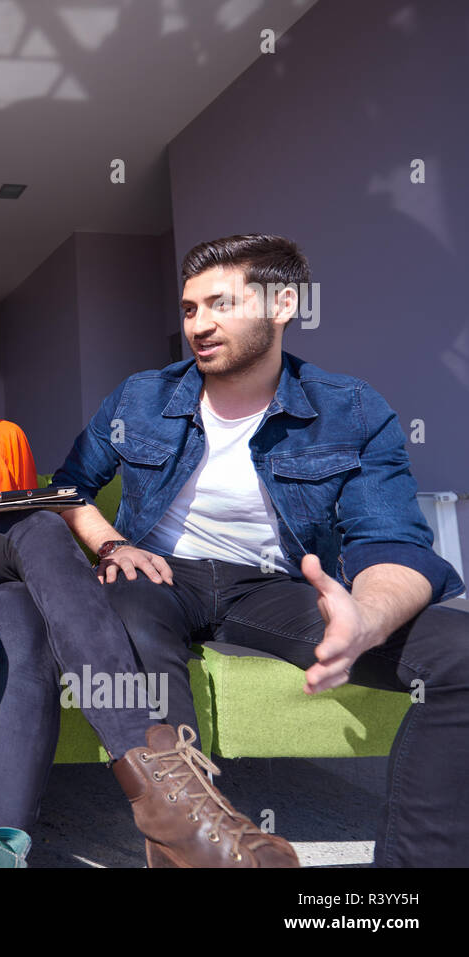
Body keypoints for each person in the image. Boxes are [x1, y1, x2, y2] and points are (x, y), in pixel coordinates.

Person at [53, 233, 469, 867]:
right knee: (127, 609)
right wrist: (111, 544)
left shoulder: (352, 410)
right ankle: (201, 843)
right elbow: (68, 487)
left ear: (282, 305)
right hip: (161, 576)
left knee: (462, 657)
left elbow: (390, 539)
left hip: (276, 585)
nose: (198, 324)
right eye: (190, 309)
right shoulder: (140, 397)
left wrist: (366, 617)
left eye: (220, 304)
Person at [0, 309, 297, 867]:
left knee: (23, 620)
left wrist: (109, 549)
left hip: (0, 579)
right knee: (39, 529)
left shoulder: (6, 434)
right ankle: (155, 767)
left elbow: (30, 509)